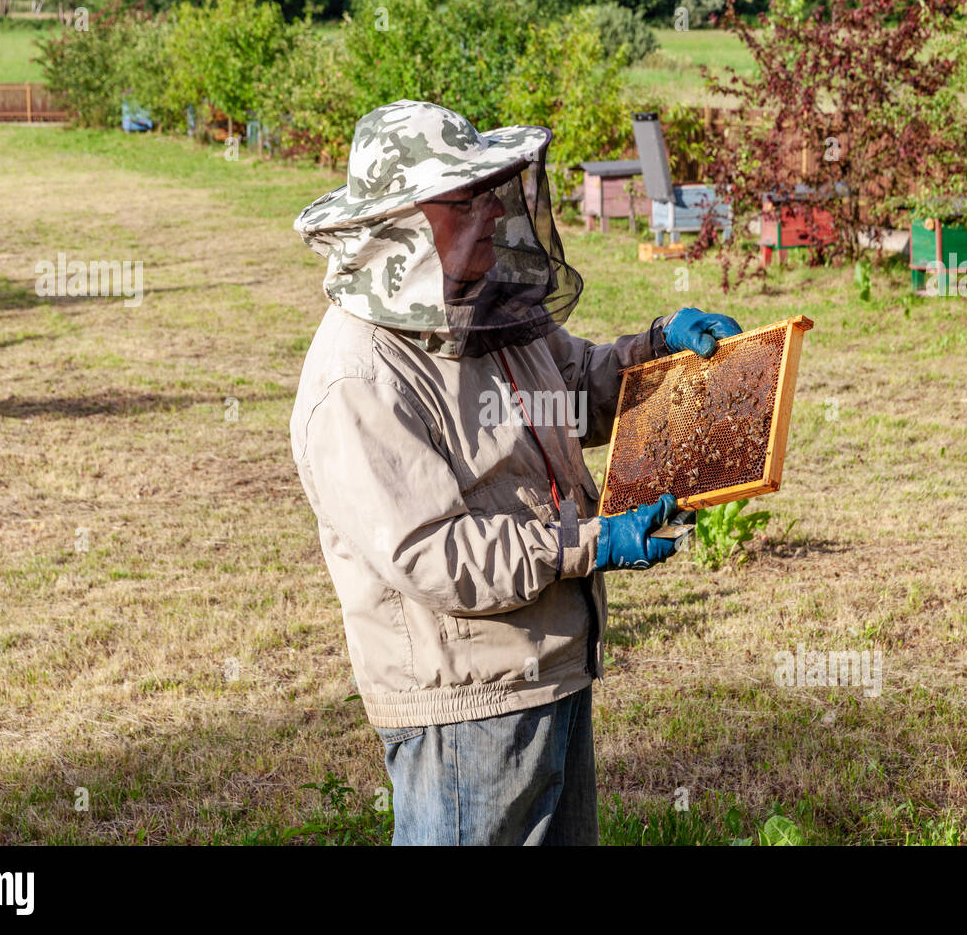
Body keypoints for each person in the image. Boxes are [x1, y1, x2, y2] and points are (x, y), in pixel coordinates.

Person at [289, 100, 741, 845]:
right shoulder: (359, 378)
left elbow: (574, 390)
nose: (495, 213)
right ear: (399, 225)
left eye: (495, 191)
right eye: (468, 199)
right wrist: (591, 543)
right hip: (465, 704)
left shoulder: (484, 309)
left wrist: (656, 351)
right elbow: (435, 554)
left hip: (550, 667)